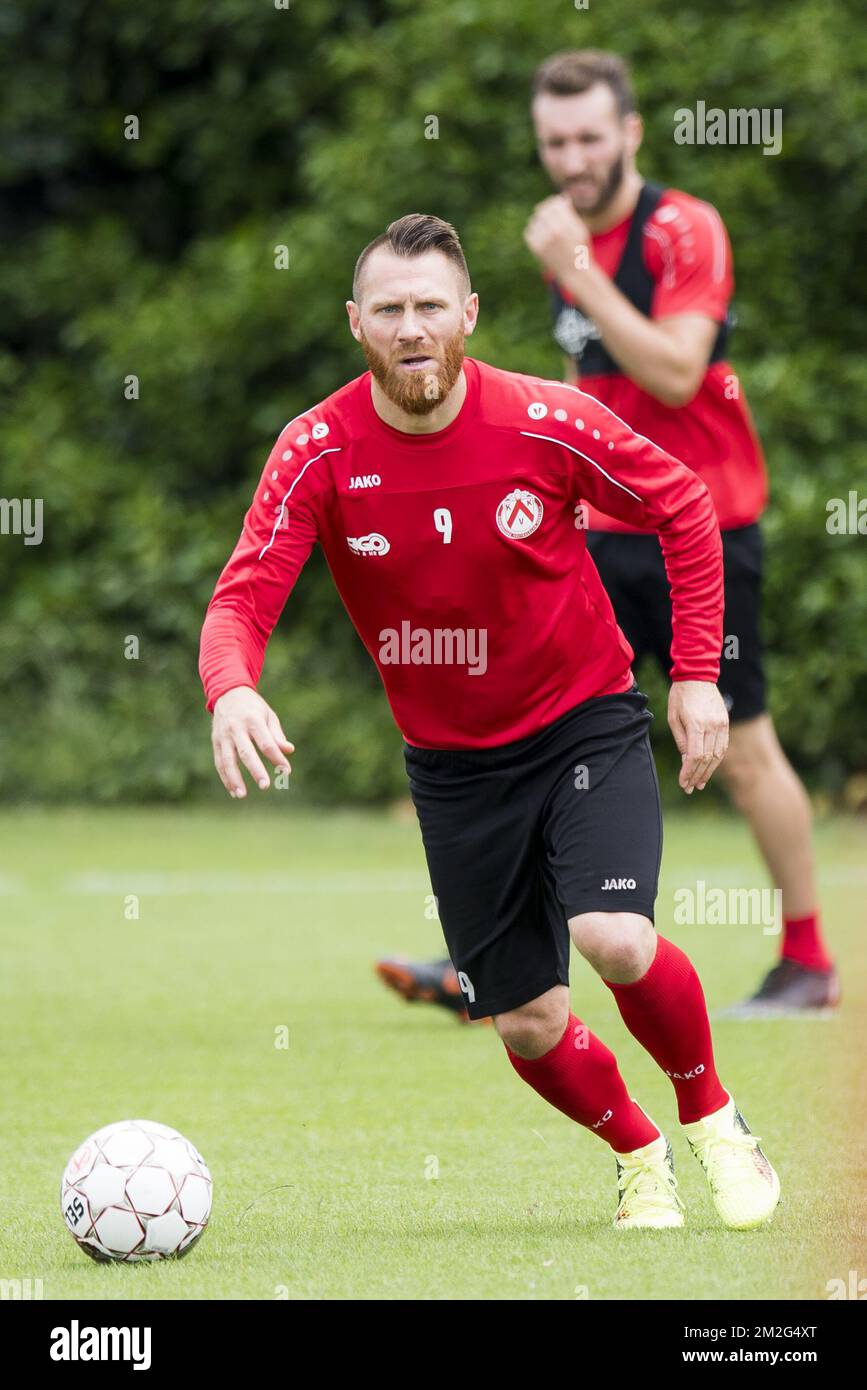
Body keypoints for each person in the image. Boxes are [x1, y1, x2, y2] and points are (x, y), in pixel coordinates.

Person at [199, 213, 780, 1230]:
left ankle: (714, 1117)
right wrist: (233, 686)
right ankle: (640, 1154)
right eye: (390, 309)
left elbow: (685, 504)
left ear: (469, 313)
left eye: (431, 306)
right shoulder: (319, 449)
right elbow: (242, 598)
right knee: (525, 1021)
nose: (412, 327)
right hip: (457, 769)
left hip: (583, 724)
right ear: (356, 323)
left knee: (614, 936)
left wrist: (697, 677)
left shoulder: (545, 421)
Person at [377, 50, 837, 1020]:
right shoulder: (563, 240)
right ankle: (503, 962)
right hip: (591, 529)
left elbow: (674, 371)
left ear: (630, 133)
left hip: (698, 521)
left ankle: (807, 960)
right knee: (535, 729)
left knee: (744, 745)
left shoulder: (681, 229)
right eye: (554, 141)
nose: (573, 158)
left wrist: (579, 271)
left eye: (590, 137)